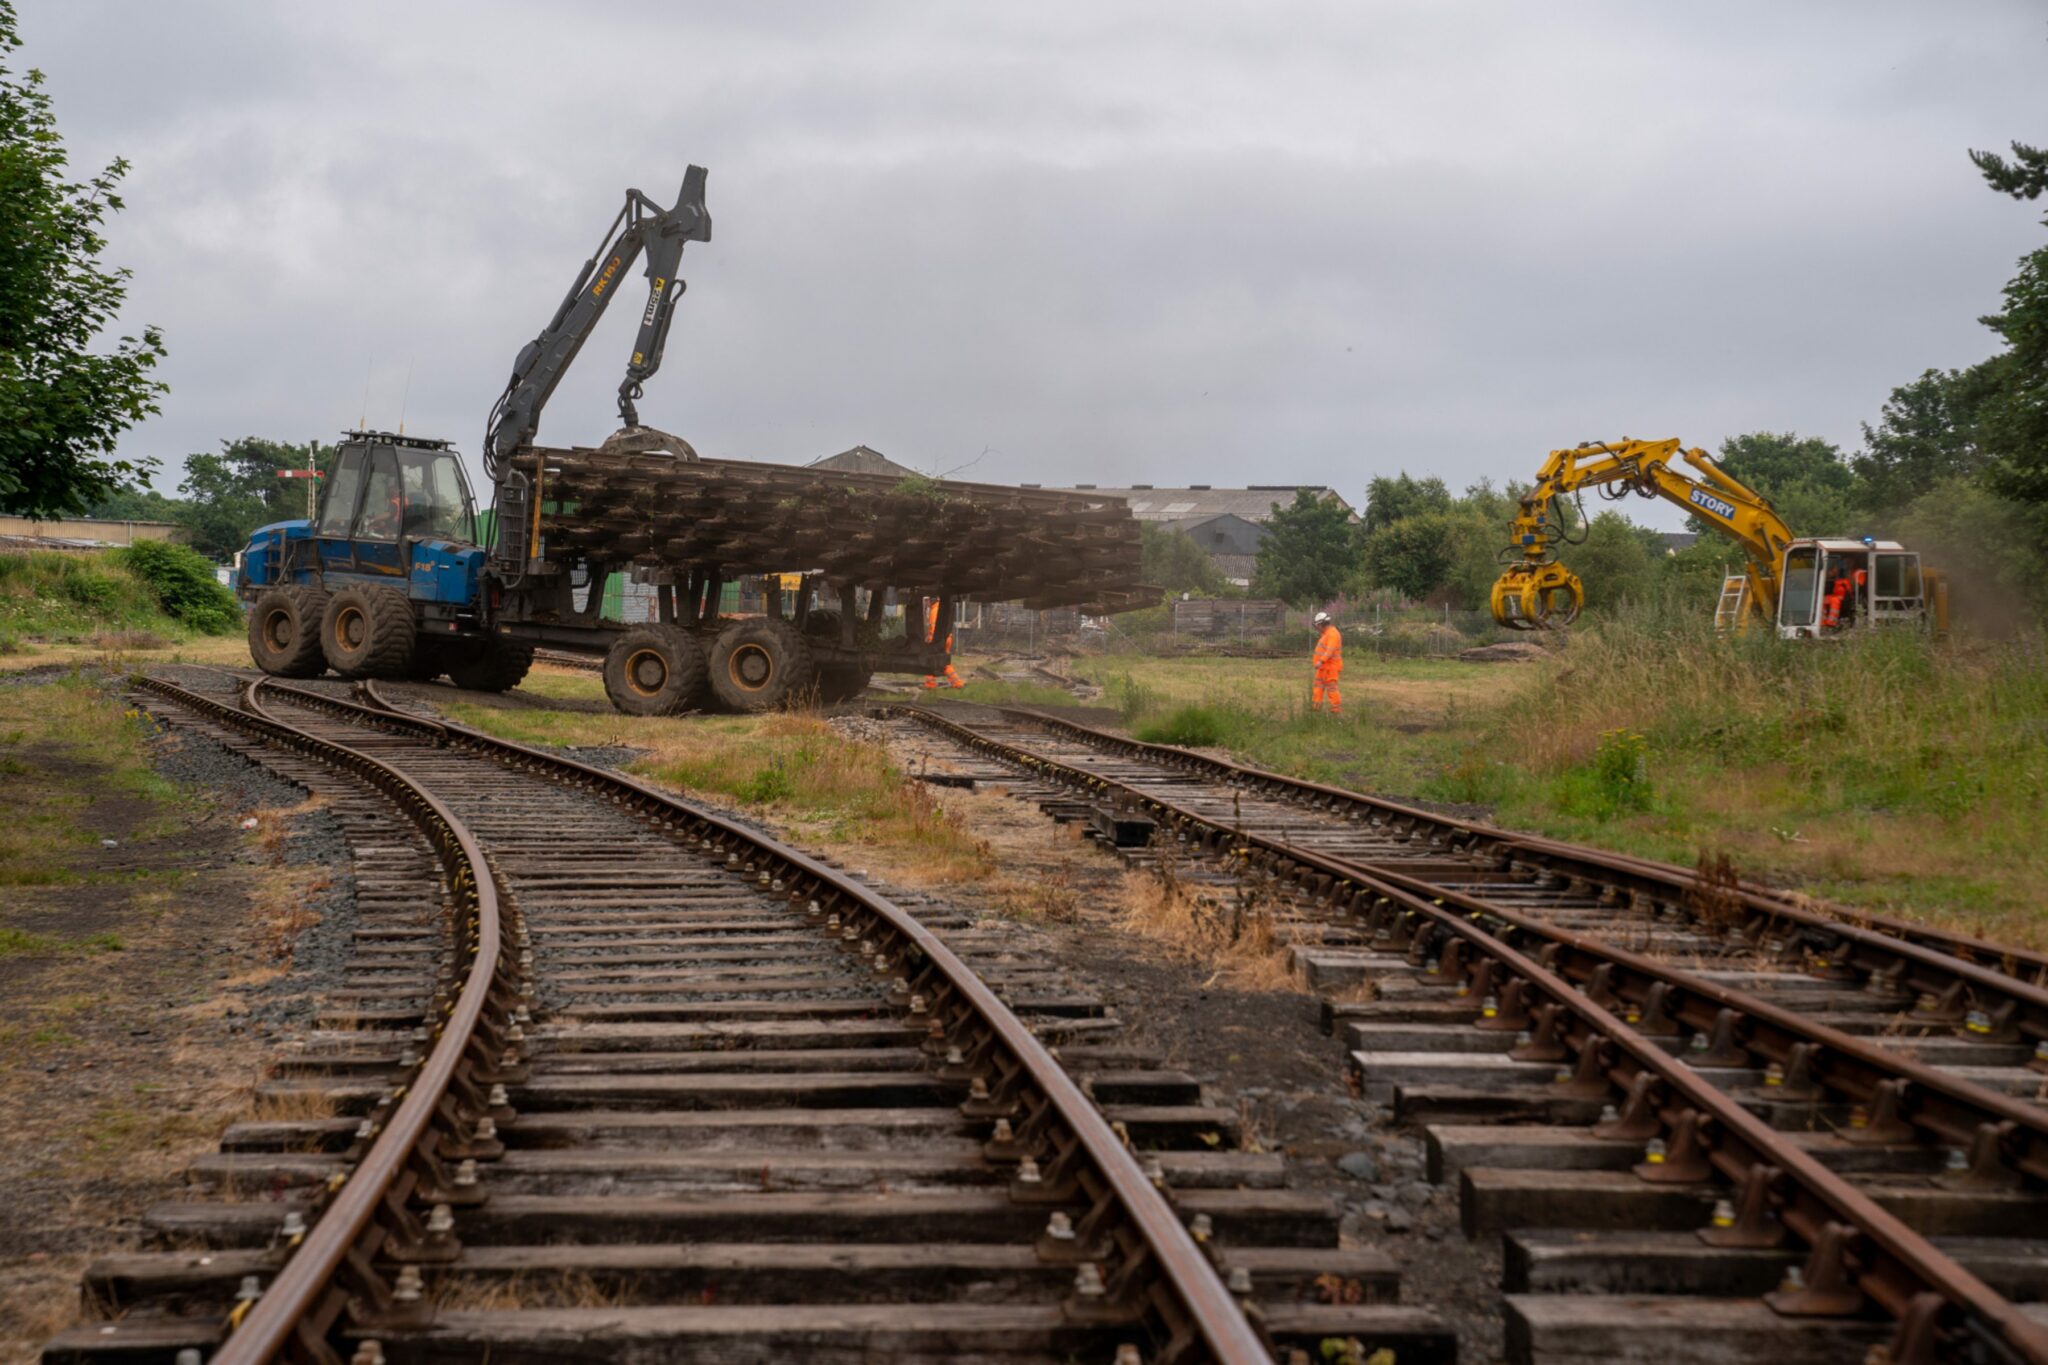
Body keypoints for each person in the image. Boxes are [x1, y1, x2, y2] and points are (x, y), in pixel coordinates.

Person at [923, 598, 964, 690]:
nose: (926, 603)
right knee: (944, 662)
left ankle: (930, 685)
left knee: (929, 660)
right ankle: (957, 683)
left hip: (938, 640)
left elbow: (933, 628)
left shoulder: (934, 611)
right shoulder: (939, 608)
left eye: (927, 600)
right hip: (945, 639)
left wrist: (929, 640)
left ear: (931, 600)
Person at [1310, 610, 1342, 715]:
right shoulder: (1327, 634)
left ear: (1321, 624)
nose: (1317, 627)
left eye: (1317, 625)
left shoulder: (1332, 634)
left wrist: (1320, 661)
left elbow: (1330, 650)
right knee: (1318, 687)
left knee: (1332, 689)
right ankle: (1316, 708)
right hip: (1323, 668)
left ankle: (1335, 711)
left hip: (1330, 668)